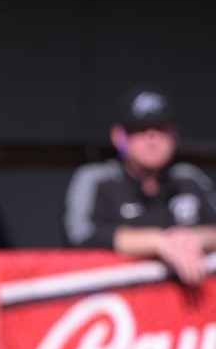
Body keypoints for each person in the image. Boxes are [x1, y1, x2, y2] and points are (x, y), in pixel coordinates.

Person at [63, 83, 216, 286]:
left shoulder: (189, 178)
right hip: (117, 304)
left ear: (174, 135)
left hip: (191, 311)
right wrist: (158, 242)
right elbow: (80, 235)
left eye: (161, 130)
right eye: (140, 130)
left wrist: (195, 238)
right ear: (119, 136)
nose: (152, 139)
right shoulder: (96, 179)